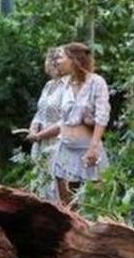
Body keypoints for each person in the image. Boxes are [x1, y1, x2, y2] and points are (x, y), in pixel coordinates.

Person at [28, 42, 110, 208]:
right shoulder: (66, 86)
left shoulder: (96, 82)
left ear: (74, 59)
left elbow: (102, 116)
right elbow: (63, 121)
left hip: (87, 150)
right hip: (64, 151)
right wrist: (37, 134)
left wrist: (93, 147)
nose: (56, 61)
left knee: (93, 204)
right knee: (66, 207)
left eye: (60, 57)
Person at [24, 47, 67, 201]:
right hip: (41, 144)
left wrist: (40, 135)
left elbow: (66, 121)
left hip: (58, 144)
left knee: (57, 188)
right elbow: (40, 112)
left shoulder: (69, 86)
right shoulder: (49, 85)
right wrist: (33, 128)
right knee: (40, 187)